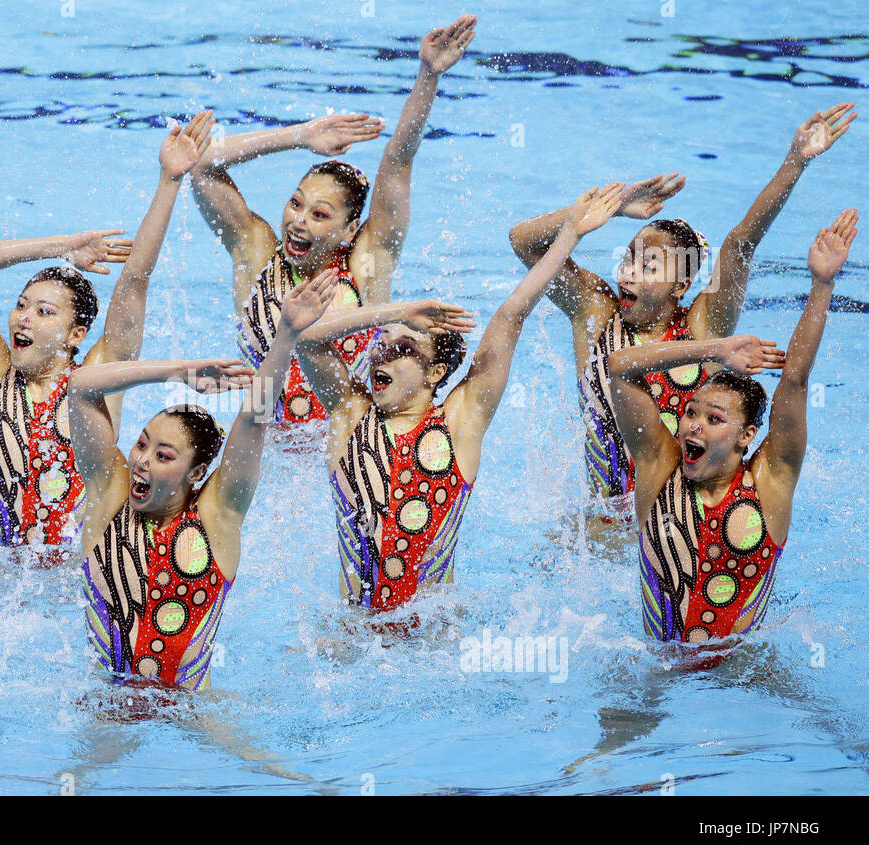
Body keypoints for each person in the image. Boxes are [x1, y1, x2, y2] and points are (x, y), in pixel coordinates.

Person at [508, 103, 855, 504]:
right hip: (605, 529)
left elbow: (742, 242)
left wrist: (794, 161)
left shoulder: (703, 328)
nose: (629, 274)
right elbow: (524, 242)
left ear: (681, 284)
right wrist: (607, 208)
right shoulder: (597, 313)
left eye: (650, 266)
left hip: (675, 523)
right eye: (628, 259)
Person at [297, 185, 623, 610]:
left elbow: (512, 313)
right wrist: (397, 313)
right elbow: (306, 339)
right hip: (352, 634)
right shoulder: (350, 414)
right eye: (384, 344)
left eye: (404, 350)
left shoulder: (459, 423)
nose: (384, 355)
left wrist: (569, 236)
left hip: (433, 641)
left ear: (435, 373)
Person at [191, 15, 477, 424]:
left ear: (348, 230)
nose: (297, 222)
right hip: (262, 448)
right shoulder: (256, 254)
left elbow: (397, 162)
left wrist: (427, 75)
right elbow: (199, 165)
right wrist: (299, 136)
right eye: (295, 203)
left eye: (320, 214)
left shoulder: (365, 266)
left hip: (345, 450)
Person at [0, 112, 214, 548]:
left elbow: (135, 278)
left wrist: (169, 181)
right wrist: (62, 247)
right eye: (19, 306)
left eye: (44, 311)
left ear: (75, 335)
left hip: (83, 576)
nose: (22, 318)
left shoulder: (97, 383)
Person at [69, 268, 337, 689]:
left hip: (191, 711)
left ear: (196, 474)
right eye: (141, 445)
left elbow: (255, 417)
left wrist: (285, 332)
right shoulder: (110, 499)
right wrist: (176, 372)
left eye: (163, 456)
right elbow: (80, 387)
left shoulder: (217, 517)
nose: (141, 461)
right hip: (106, 705)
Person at [609, 209, 856, 643]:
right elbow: (619, 367)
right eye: (690, 412)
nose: (692, 428)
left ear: (747, 437)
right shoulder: (659, 469)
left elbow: (794, 380)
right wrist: (716, 349)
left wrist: (822, 285)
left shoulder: (771, 483)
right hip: (656, 668)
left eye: (713, 419)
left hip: (743, 673)